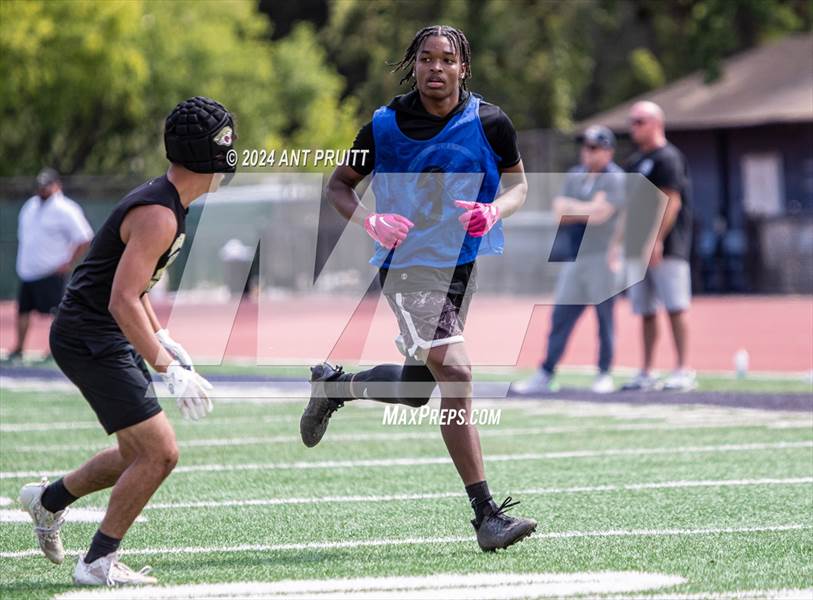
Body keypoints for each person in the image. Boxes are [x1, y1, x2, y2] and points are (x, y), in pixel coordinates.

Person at [299, 25, 536, 552]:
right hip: (405, 268)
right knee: (456, 370)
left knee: (416, 388)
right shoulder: (383, 126)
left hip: (460, 269)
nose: (435, 68)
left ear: (462, 68)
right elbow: (338, 185)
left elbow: (520, 185)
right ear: (414, 65)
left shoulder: (492, 122)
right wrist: (370, 221)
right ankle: (486, 516)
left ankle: (334, 385)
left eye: (446, 59)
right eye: (425, 59)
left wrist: (495, 208)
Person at [18, 96, 235, 586]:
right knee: (160, 453)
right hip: (91, 334)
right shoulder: (160, 213)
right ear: (212, 153)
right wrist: (168, 367)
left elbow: (132, 290)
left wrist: (160, 335)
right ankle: (96, 562)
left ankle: (48, 500)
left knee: (135, 452)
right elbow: (119, 299)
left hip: (99, 331)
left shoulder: (167, 202)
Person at [510, 126, 624, 395]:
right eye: (585, 146)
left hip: (601, 256)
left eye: (594, 147)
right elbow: (559, 210)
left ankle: (604, 373)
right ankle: (546, 371)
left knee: (605, 318)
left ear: (608, 151)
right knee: (561, 317)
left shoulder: (615, 178)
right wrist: (586, 208)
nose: (587, 152)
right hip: (574, 257)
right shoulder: (575, 175)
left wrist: (578, 209)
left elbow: (602, 215)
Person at [622, 101, 695, 391]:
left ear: (656, 123)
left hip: (666, 247)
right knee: (646, 310)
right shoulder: (636, 161)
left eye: (639, 121)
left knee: (676, 306)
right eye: (632, 121)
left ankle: (683, 369)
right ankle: (647, 371)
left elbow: (671, 201)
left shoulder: (668, 158)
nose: (633, 127)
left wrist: (657, 240)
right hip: (638, 248)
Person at [9, 168, 93, 361]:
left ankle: (57, 349)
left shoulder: (66, 208)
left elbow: (84, 237)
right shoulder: (30, 205)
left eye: (47, 185)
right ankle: (19, 347)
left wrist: (69, 263)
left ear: (57, 185)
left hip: (50, 271)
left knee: (56, 314)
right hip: (28, 271)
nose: (43, 189)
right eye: (40, 185)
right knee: (23, 310)